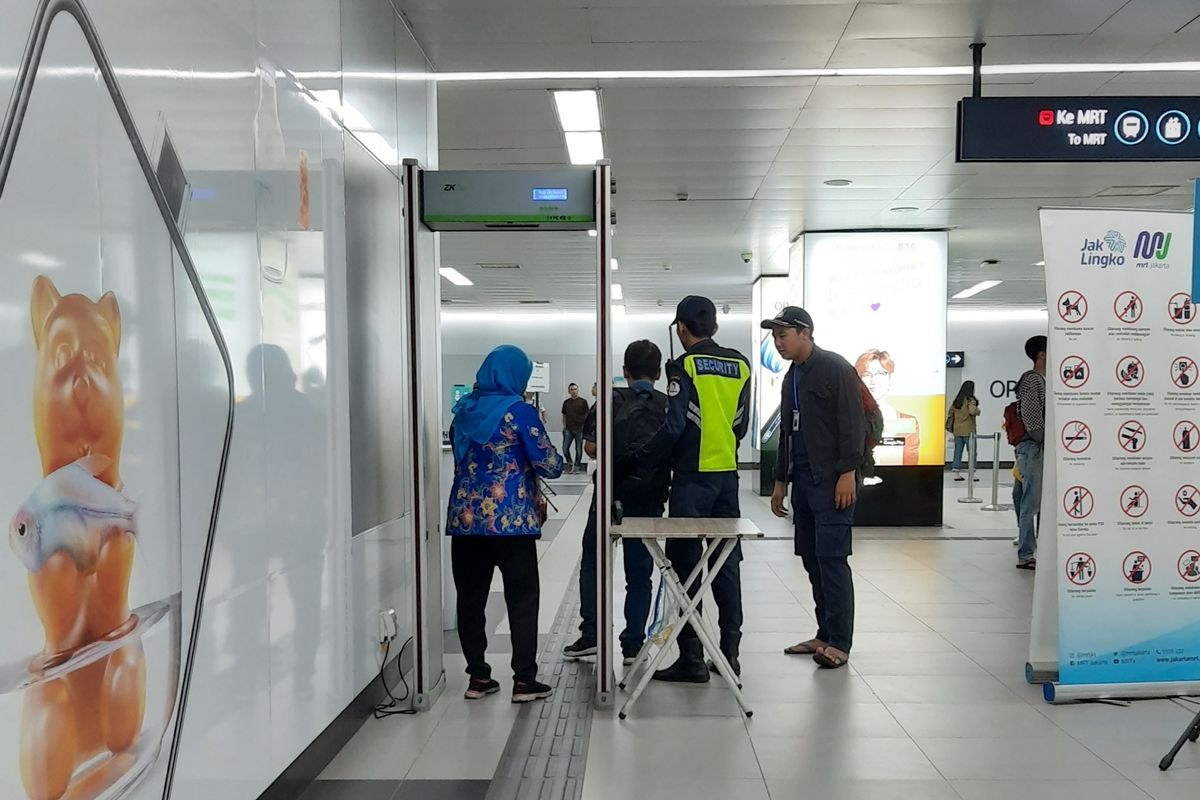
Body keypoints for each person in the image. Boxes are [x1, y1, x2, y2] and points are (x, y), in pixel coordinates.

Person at [446, 345, 563, 703]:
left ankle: (478, 678)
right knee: (522, 600)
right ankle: (524, 681)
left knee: (470, 600)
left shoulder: (463, 411)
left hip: (466, 525)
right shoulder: (519, 412)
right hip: (512, 525)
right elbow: (550, 465)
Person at [645, 296, 751, 683]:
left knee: (686, 567)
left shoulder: (684, 366)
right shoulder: (740, 364)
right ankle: (730, 656)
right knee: (726, 564)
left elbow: (674, 426)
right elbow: (740, 423)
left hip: (691, 478)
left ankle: (691, 657)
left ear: (682, 329)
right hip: (728, 476)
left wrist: (644, 459)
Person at [764, 307, 864, 670]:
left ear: (805, 333)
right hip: (803, 482)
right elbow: (787, 435)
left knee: (833, 560)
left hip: (832, 481)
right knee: (811, 559)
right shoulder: (791, 377)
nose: (778, 343)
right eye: (775, 337)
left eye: (783, 335)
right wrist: (779, 481)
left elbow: (852, 423)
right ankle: (824, 633)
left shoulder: (835, 368)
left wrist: (848, 471)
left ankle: (841, 642)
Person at [562, 341, 666, 665]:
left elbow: (590, 448)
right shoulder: (667, 404)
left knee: (593, 562)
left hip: (610, 494)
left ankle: (592, 635)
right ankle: (633, 645)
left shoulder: (610, 401)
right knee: (639, 572)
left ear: (625, 372)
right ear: (660, 372)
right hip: (650, 498)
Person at [1014, 334, 1047, 570]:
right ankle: (1026, 553)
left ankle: (1030, 549)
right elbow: (1032, 414)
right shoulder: (1034, 380)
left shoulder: (1039, 379)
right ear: (1041, 354)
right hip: (1033, 447)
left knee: (1024, 498)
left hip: (1029, 447)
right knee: (1031, 502)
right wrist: (1043, 438)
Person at [856, 349, 919, 466]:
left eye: (880, 374)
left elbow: (910, 464)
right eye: (866, 375)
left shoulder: (908, 421)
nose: (873, 381)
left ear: (890, 377)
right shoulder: (848, 417)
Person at [947, 381, 981, 481]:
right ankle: (972, 473)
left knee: (958, 451)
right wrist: (978, 411)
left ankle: (956, 473)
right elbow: (972, 411)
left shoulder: (957, 401)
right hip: (969, 430)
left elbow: (950, 414)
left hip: (957, 430)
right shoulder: (970, 400)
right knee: (972, 452)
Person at [561, 383, 589, 474]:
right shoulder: (566, 402)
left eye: (575, 389)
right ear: (569, 391)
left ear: (578, 390)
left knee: (579, 449)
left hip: (579, 429)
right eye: (572, 389)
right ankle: (569, 463)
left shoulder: (583, 402)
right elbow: (564, 415)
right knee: (565, 448)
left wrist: (585, 427)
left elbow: (587, 415)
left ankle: (577, 466)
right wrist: (564, 427)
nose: (574, 391)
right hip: (568, 429)